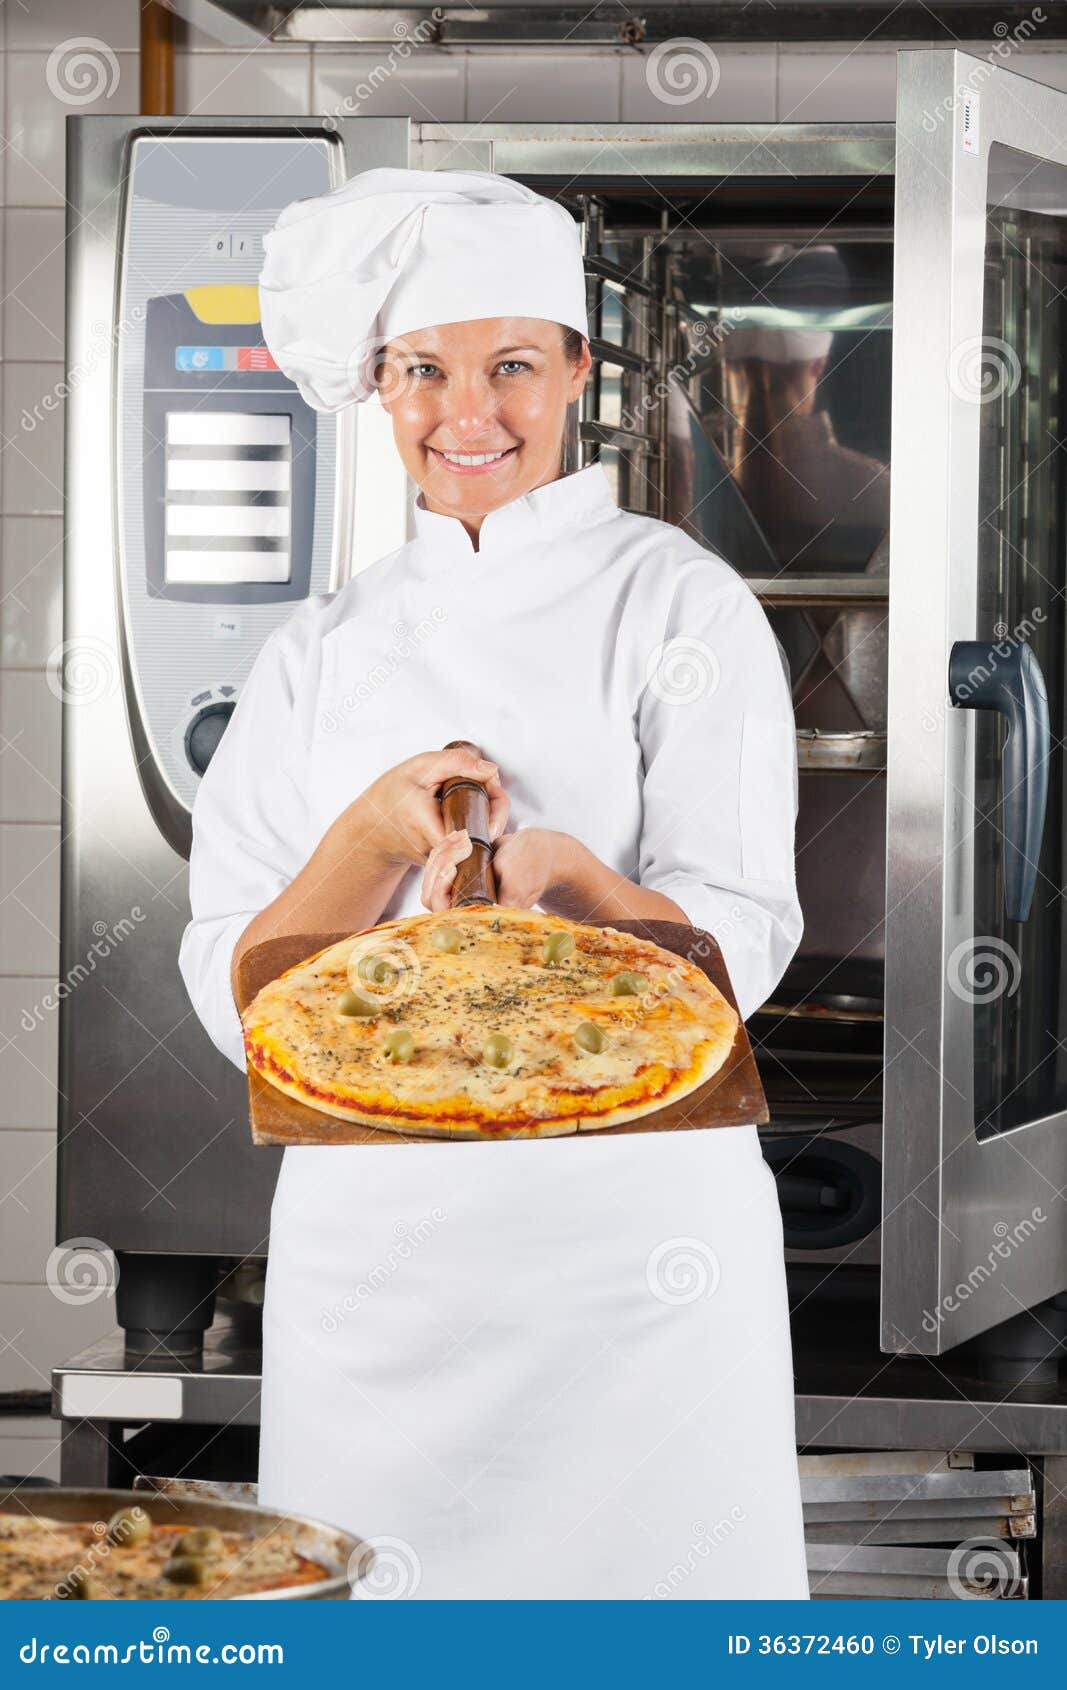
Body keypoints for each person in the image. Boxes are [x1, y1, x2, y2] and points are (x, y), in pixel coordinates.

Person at [178, 167, 809, 1601]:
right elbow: (238, 995)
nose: (470, 413)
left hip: (635, 1262)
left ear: (580, 369)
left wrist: (572, 877)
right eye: (425, 371)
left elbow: (743, 951)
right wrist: (371, 840)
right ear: (381, 388)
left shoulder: (679, 600)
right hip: (381, 1276)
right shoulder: (320, 649)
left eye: (513, 364)